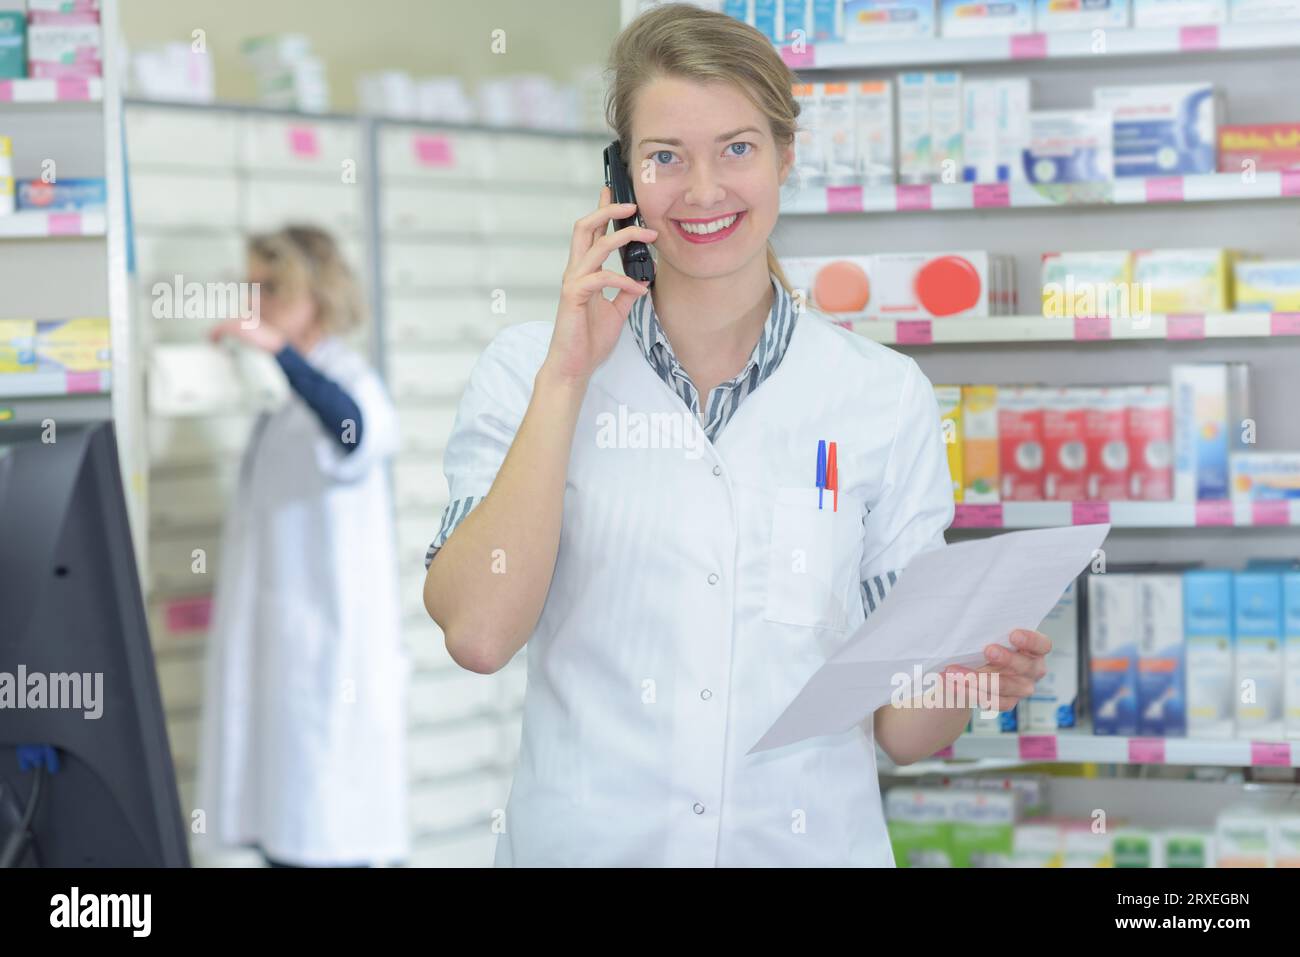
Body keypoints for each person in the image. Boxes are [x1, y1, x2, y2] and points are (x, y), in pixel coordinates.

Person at [422, 5, 1050, 867]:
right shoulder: (528, 371)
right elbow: (479, 634)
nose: (705, 189)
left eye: (738, 148)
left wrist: (970, 676)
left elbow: (905, 730)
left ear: (787, 156)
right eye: (665, 157)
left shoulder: (879, 395)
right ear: (620, 177)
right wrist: (567, 378)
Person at [198, 225, 409, 868]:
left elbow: (353, 428)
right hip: (284, 658)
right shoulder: (282, 397)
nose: (253, 300)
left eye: (269, 288)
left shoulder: (344, 379)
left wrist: (279, 354)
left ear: (313, 294)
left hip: (329, 664)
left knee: (326, 832)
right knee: (284, 829)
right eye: (251, 286)